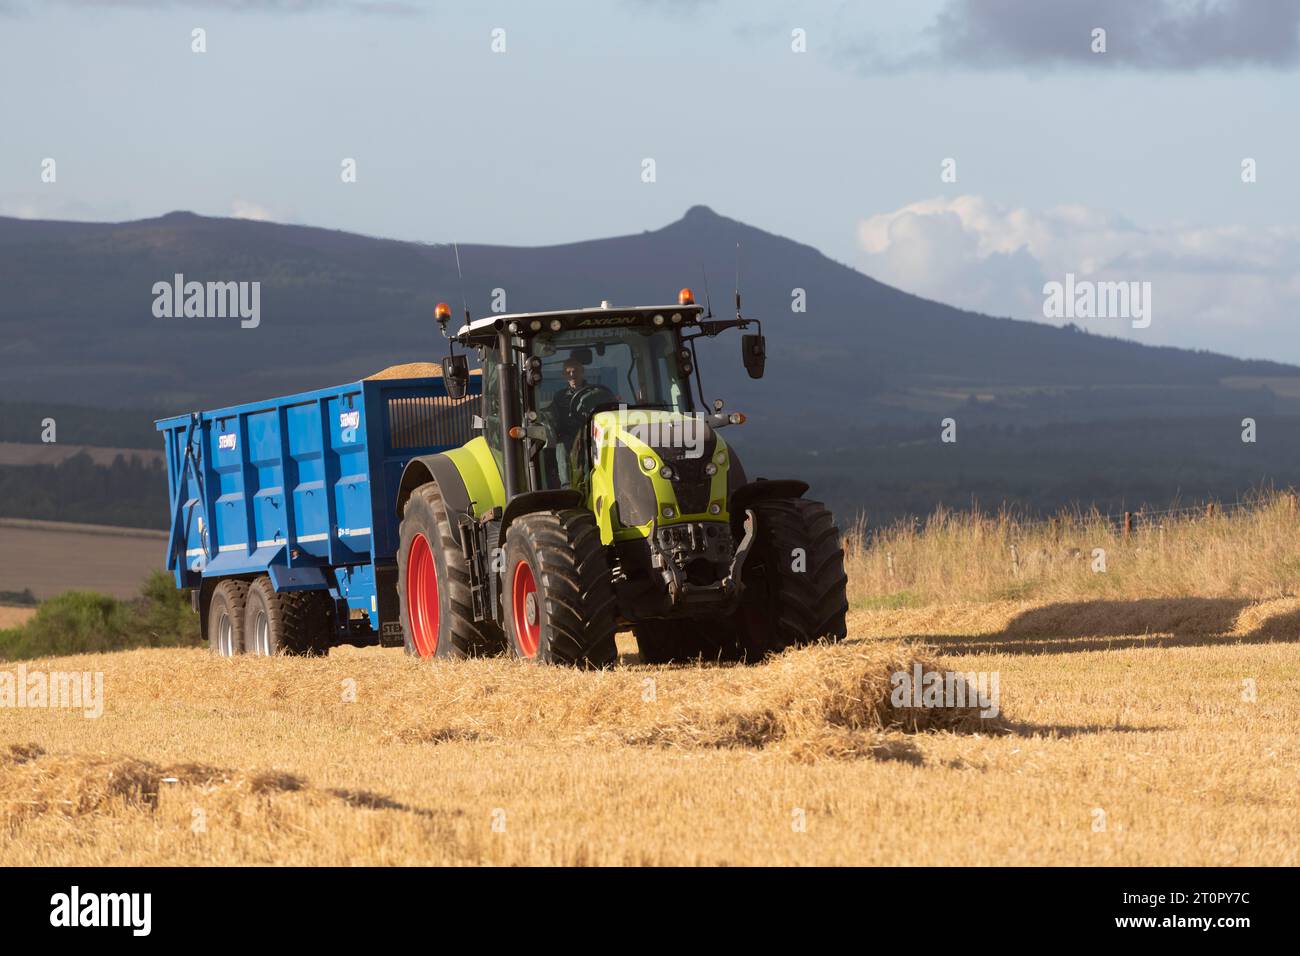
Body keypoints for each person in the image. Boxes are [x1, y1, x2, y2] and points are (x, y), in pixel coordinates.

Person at [546, 355, 615, 484]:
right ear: (564, 375)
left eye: (575, 371)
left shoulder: (596, 393)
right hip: (569, 436)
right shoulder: (559, 397)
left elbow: (610, 407)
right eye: (568, 372)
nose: (572, 375)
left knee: (592, 448)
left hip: (591, 433)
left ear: (583, 372)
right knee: (561, 447)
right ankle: (566, 486)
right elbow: (552, 416)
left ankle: (592, 483)